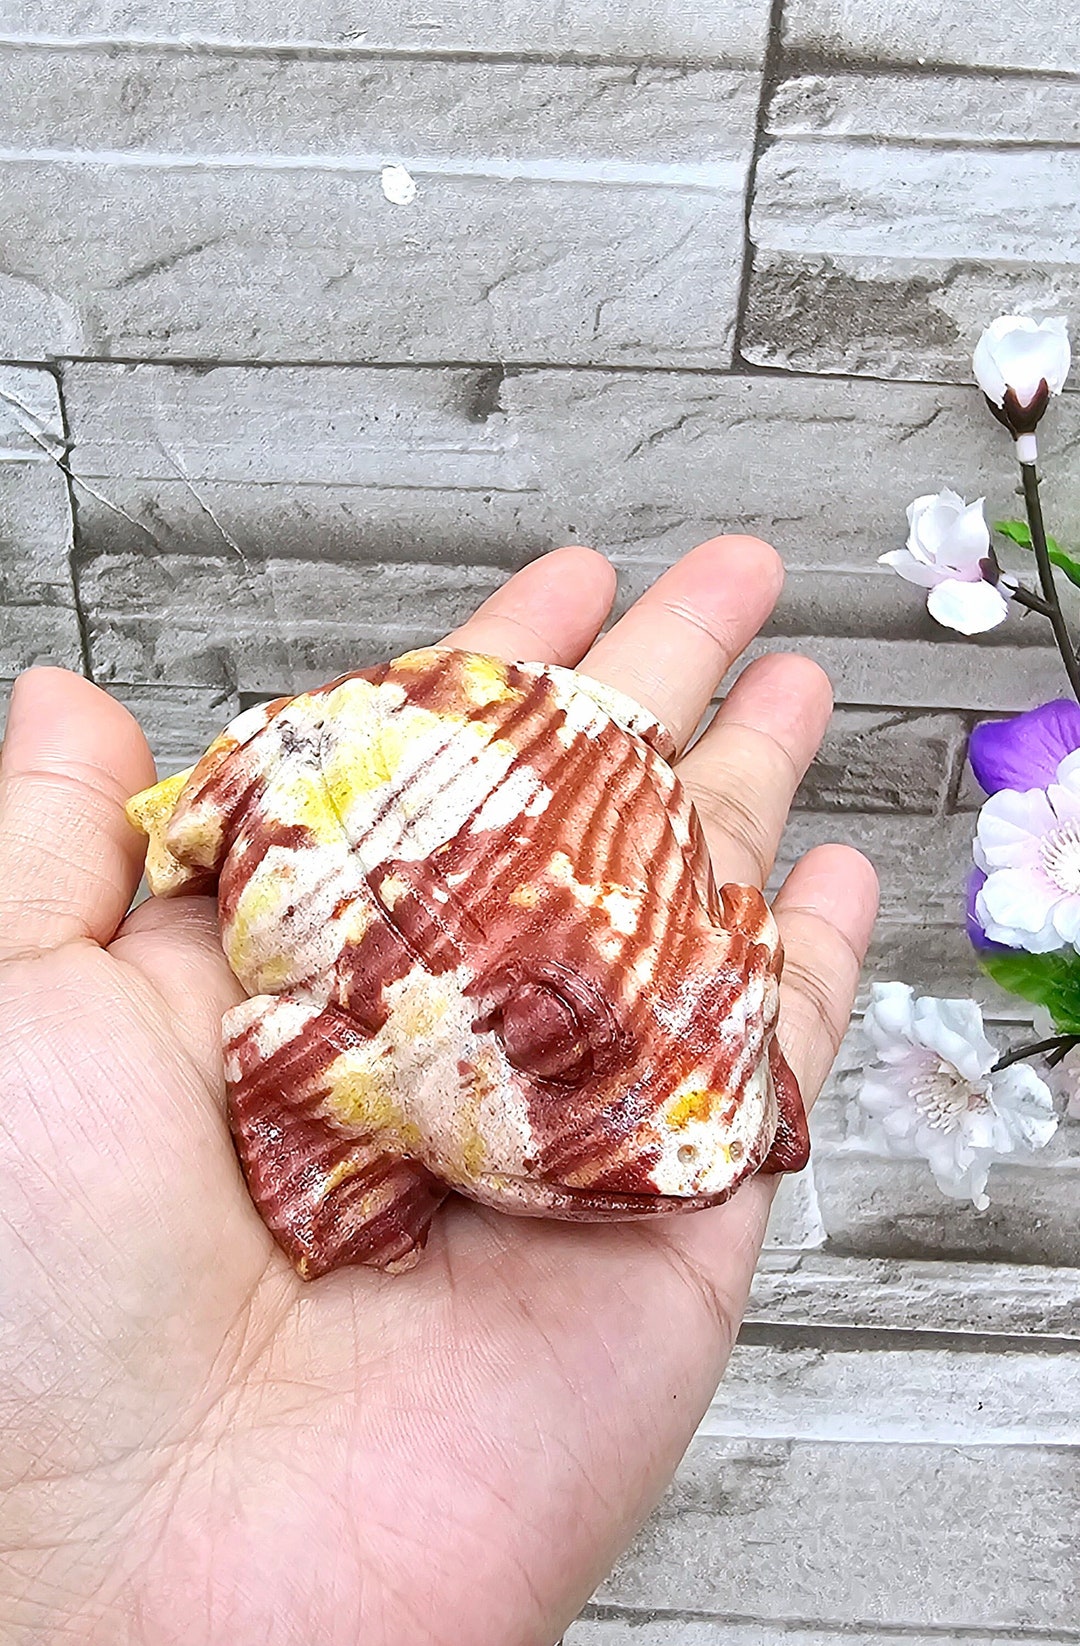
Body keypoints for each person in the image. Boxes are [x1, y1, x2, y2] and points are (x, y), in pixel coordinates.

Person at [0, 536, 878, 1646]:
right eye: (567, 1057)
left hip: (546, 765)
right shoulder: (407, 1038)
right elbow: (279, 1047)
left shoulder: (669, 983)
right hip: (338, 777)